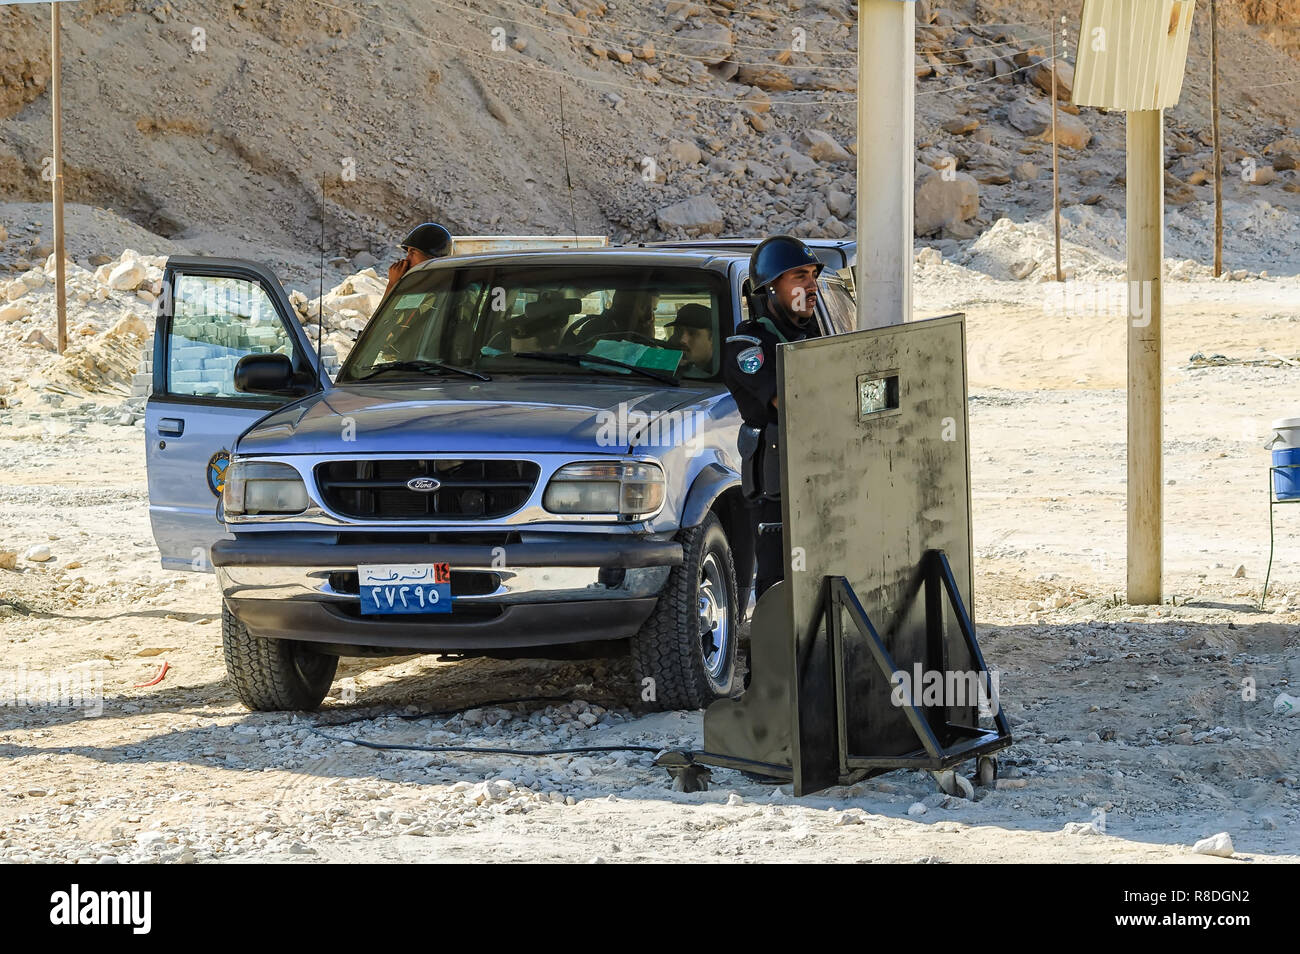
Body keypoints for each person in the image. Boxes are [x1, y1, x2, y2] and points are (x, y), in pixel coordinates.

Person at [721, 235, 824, 601]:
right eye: (799, 276)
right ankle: (774, 657)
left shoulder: (819, 335)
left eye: (813, 275)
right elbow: (796, 404)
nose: (811, 285)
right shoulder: (748, 347)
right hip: (777, 492)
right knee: (780, 590)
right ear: (769, 288)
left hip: (828, 480)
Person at [384, 222, 453, 295]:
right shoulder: (418, 284)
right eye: (408, 253)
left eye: (413, 253)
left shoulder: (448, 289)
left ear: (433, 258)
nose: (407, 259)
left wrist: (392, 285)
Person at [665, 303, 715, 373]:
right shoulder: (670, 360)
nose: (682, 340)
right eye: (678, 331)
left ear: (712, 338)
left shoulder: (725, 372)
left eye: (692, 333)